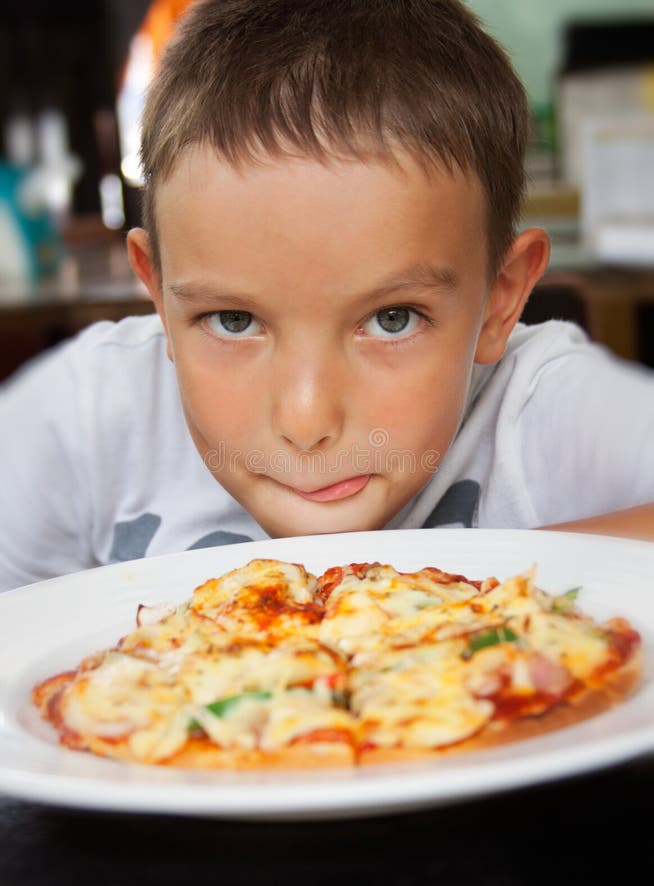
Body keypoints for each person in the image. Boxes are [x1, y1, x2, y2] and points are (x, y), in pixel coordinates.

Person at [1, 0, 653, 592]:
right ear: (160, 296)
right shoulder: (85, 415)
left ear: (499, 301)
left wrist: (474, 595)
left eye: (392, 319)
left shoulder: (540, 408)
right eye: (232, 320)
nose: (307, 421)